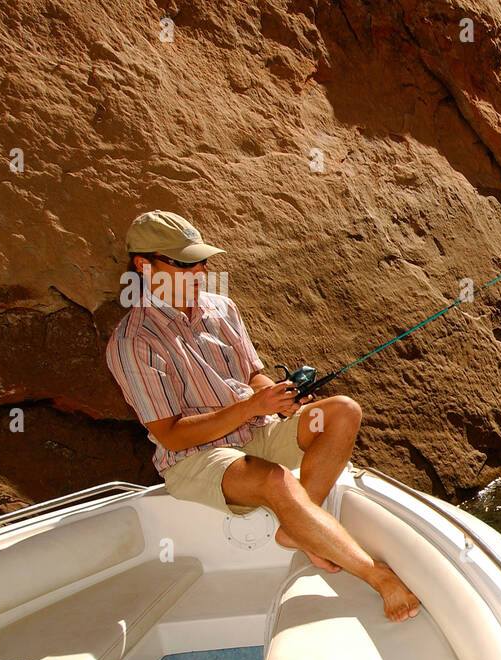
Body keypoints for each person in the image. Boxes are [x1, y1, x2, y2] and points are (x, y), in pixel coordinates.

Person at [105, 210, 419, 621]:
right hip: (195, 458)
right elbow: (171, 435)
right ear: (145, 266)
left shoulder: (222, 308)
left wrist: (277, 396)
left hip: (255, 431)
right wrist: (252, 407)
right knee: (275, 479)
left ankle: (298, 528)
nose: (200, 272)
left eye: (202, 261)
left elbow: (252, 375)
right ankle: (377, 576)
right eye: (185, 263)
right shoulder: (132, 342)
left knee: (342, 411)